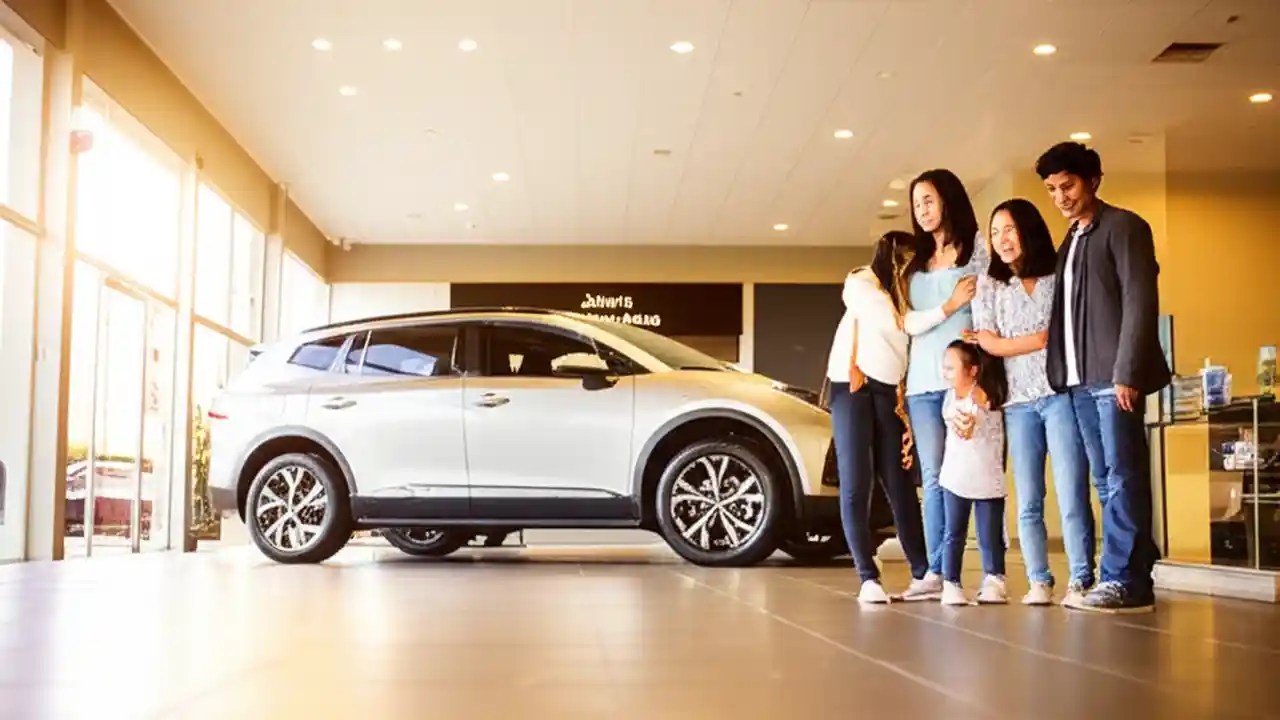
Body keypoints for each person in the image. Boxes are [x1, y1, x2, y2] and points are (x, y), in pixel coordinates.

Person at [1037, 142, 1171, 613]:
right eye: (1052, 189)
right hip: (1078, 383)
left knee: (1123, 475)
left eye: (1067, 185)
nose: (1061, 197)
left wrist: (1127, 372)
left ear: (1093, 180)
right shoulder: (1070, 241)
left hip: (1113, 380)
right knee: (1107, 478)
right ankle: (1129, 571)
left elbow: (1139, 302)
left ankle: (1126, 582)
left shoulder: (1125, 227)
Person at [825, 231, 967, 604]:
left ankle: (923, 571)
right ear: (891, 257)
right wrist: (947, 306)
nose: (910, 270)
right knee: (857, 481)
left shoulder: (903, 297)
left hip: (889, 394)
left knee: (901, 485)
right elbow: (896, 325)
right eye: (905, 261)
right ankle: (867, 576)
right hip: (853, 387)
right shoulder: (861, 283)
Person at [967, 199, 1097, 607]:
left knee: (1073, 490)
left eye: (1009, 229)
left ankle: (1081, 580)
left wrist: (1008, 344)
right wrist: (1033, 341)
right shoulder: (989, 284)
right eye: (995, 231)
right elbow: (987, 341)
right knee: (1027, 498)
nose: (1002, 240)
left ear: (1027, 230)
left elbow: (1058, 335)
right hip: (1018, 405)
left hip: (1059, 396)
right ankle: (1039, 580)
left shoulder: (1057, 275)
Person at [903, 168, 990, 596]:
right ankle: (935, 572)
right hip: (922, 382)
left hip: (963, 383)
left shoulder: (978, 252)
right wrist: (950, 306)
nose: (922, 210)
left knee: (972, 473)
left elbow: (991, 305)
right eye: (917, 203)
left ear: (949, 200)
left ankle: (979, 569)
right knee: (934, 477)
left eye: (929, 200)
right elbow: (907, 322)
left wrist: (982, 337)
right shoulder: (913, 262)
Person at [937, 340, 1009, 606]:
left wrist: (967, 422)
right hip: (955, 476)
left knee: (988, 533)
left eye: (951, 367)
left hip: (986, 478)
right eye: (944, 367)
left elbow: (975, 415)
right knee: (953, 533)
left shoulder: (981, 395)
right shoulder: (949, 395)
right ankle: (950, 582)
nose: (945, 372)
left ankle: (994, 579)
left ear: (973, 371)